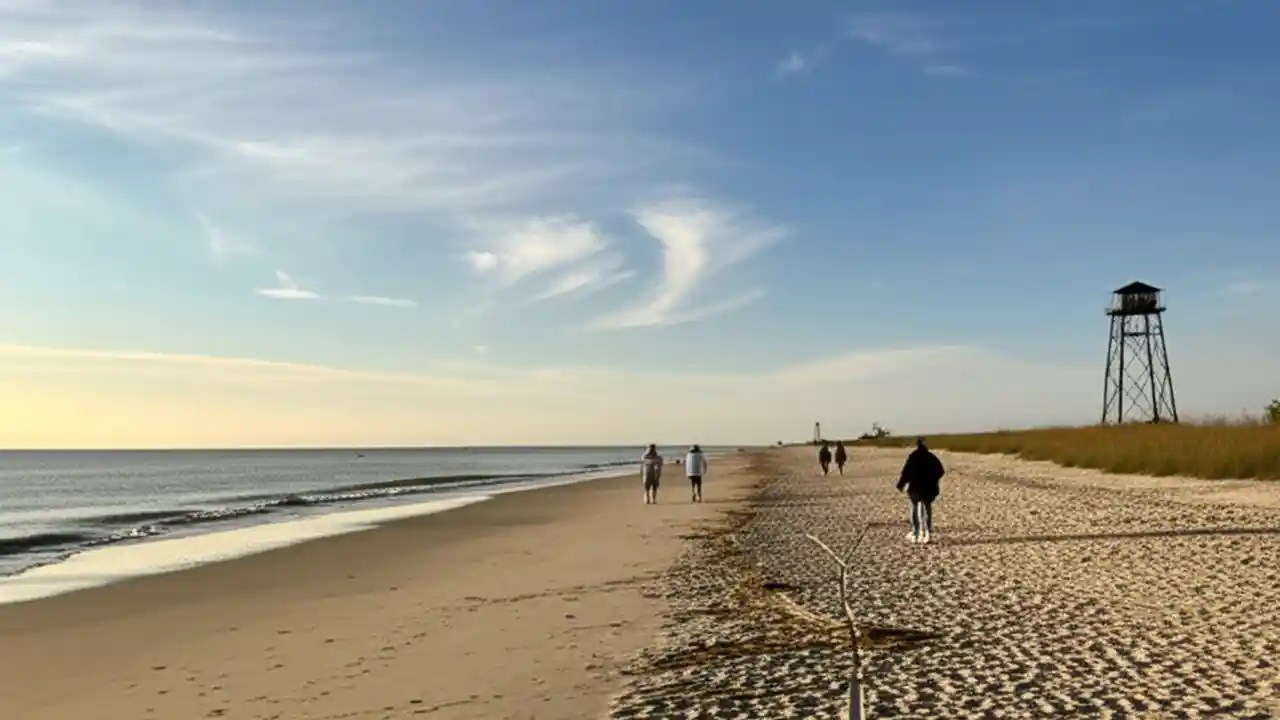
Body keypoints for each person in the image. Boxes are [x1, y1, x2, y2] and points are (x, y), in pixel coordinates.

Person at [896, 437, 945, 544]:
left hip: (916, 487)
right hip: (928, 487)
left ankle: (916, 531)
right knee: (927, 507)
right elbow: (940, 470)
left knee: (915, 507)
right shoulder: (931, 457)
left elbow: (906, 472)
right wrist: (933, 480)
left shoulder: (913, 456)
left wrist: (901, 484)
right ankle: (927, 531)